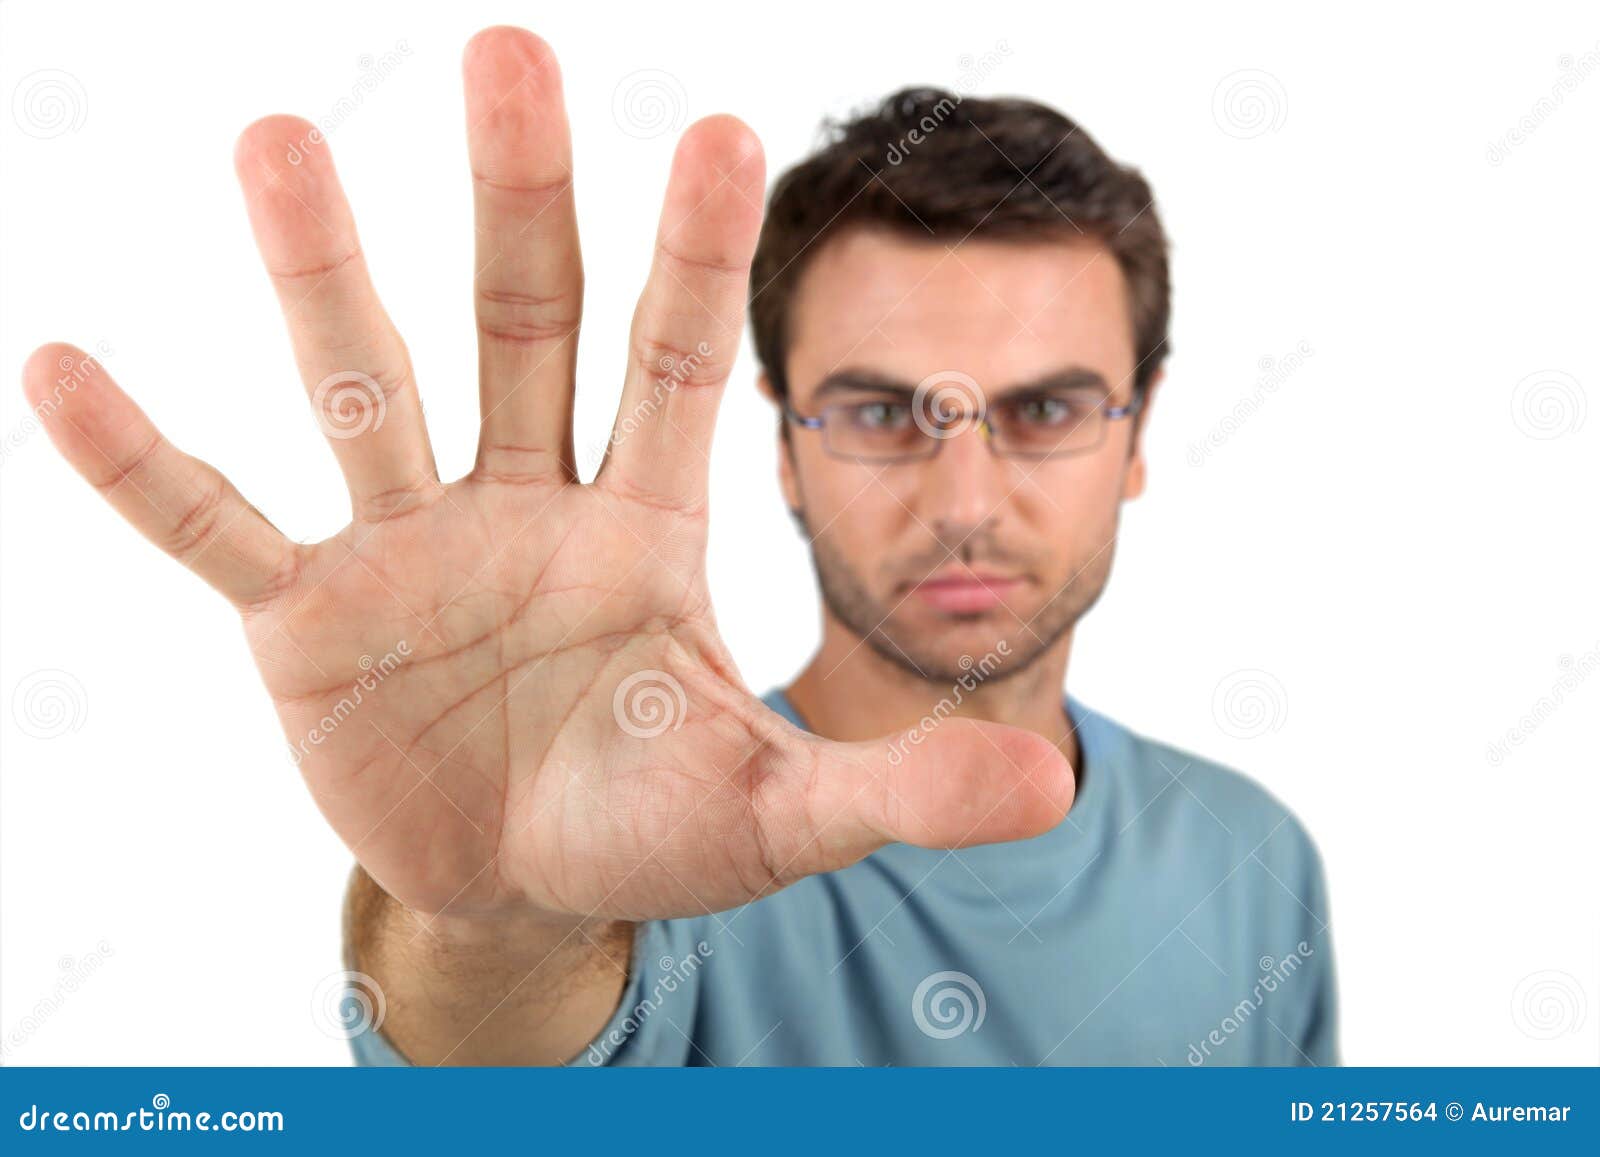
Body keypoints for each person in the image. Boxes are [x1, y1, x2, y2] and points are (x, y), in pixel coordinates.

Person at [23, 25, 1337, 1066]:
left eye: (1043, 409)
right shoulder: (659, 837)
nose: (966, 495)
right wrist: (499, 911)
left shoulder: (1256, 859)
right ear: (785, 445)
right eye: (882, 411)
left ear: (1141, 428)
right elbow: (501, 1071)